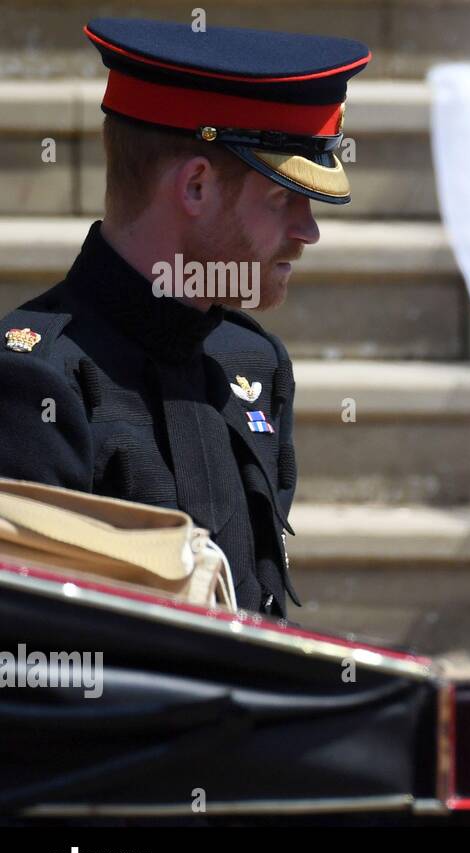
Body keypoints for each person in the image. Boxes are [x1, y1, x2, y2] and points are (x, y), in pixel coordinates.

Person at [0, 18, 370, 617]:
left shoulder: (252, 360)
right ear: (195, 186)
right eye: (283, 198)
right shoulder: (36, 382)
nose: (309, 231)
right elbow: (39, 665)